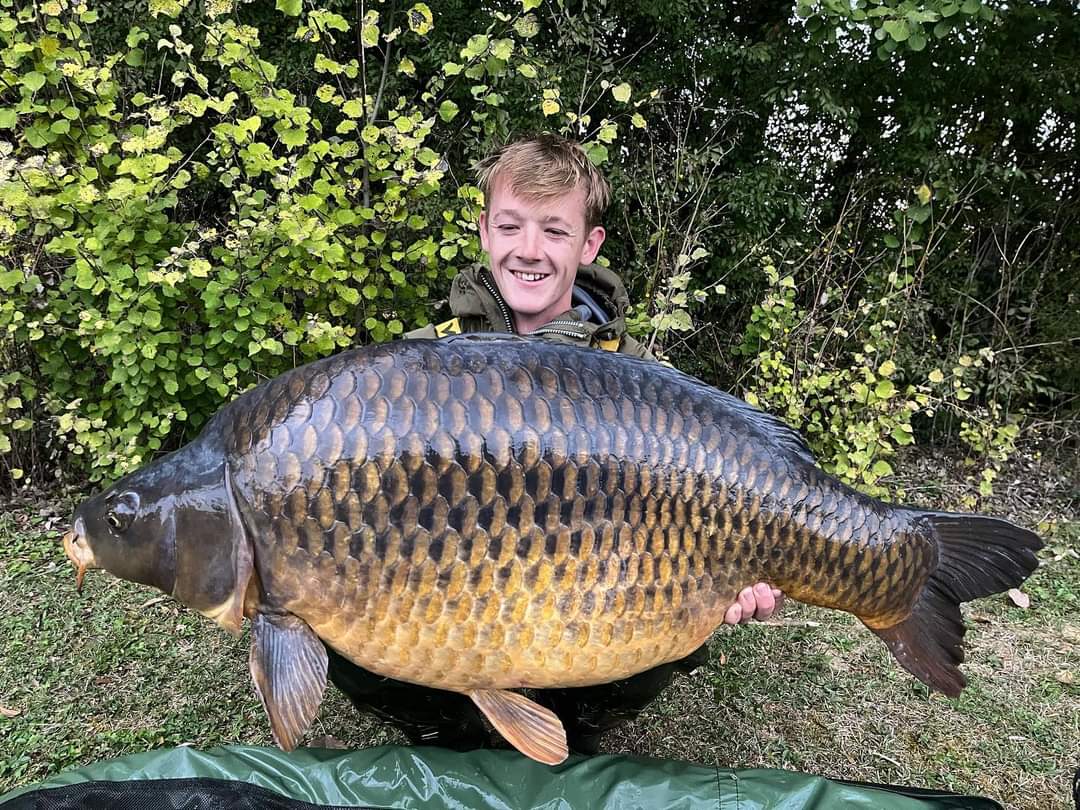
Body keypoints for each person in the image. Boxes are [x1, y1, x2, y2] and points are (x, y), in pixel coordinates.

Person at [328, 134, 784, 754]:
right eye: (511, 227)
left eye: (555, 231)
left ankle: (579, 723)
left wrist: (752, 570)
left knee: (679, 606)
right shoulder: (423, 362)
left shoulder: (631, 373)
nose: (530, 251)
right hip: (452, 593)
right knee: (325, 603)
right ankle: (437, 726)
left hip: (590, 604)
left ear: (589, 244)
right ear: (486, 232)